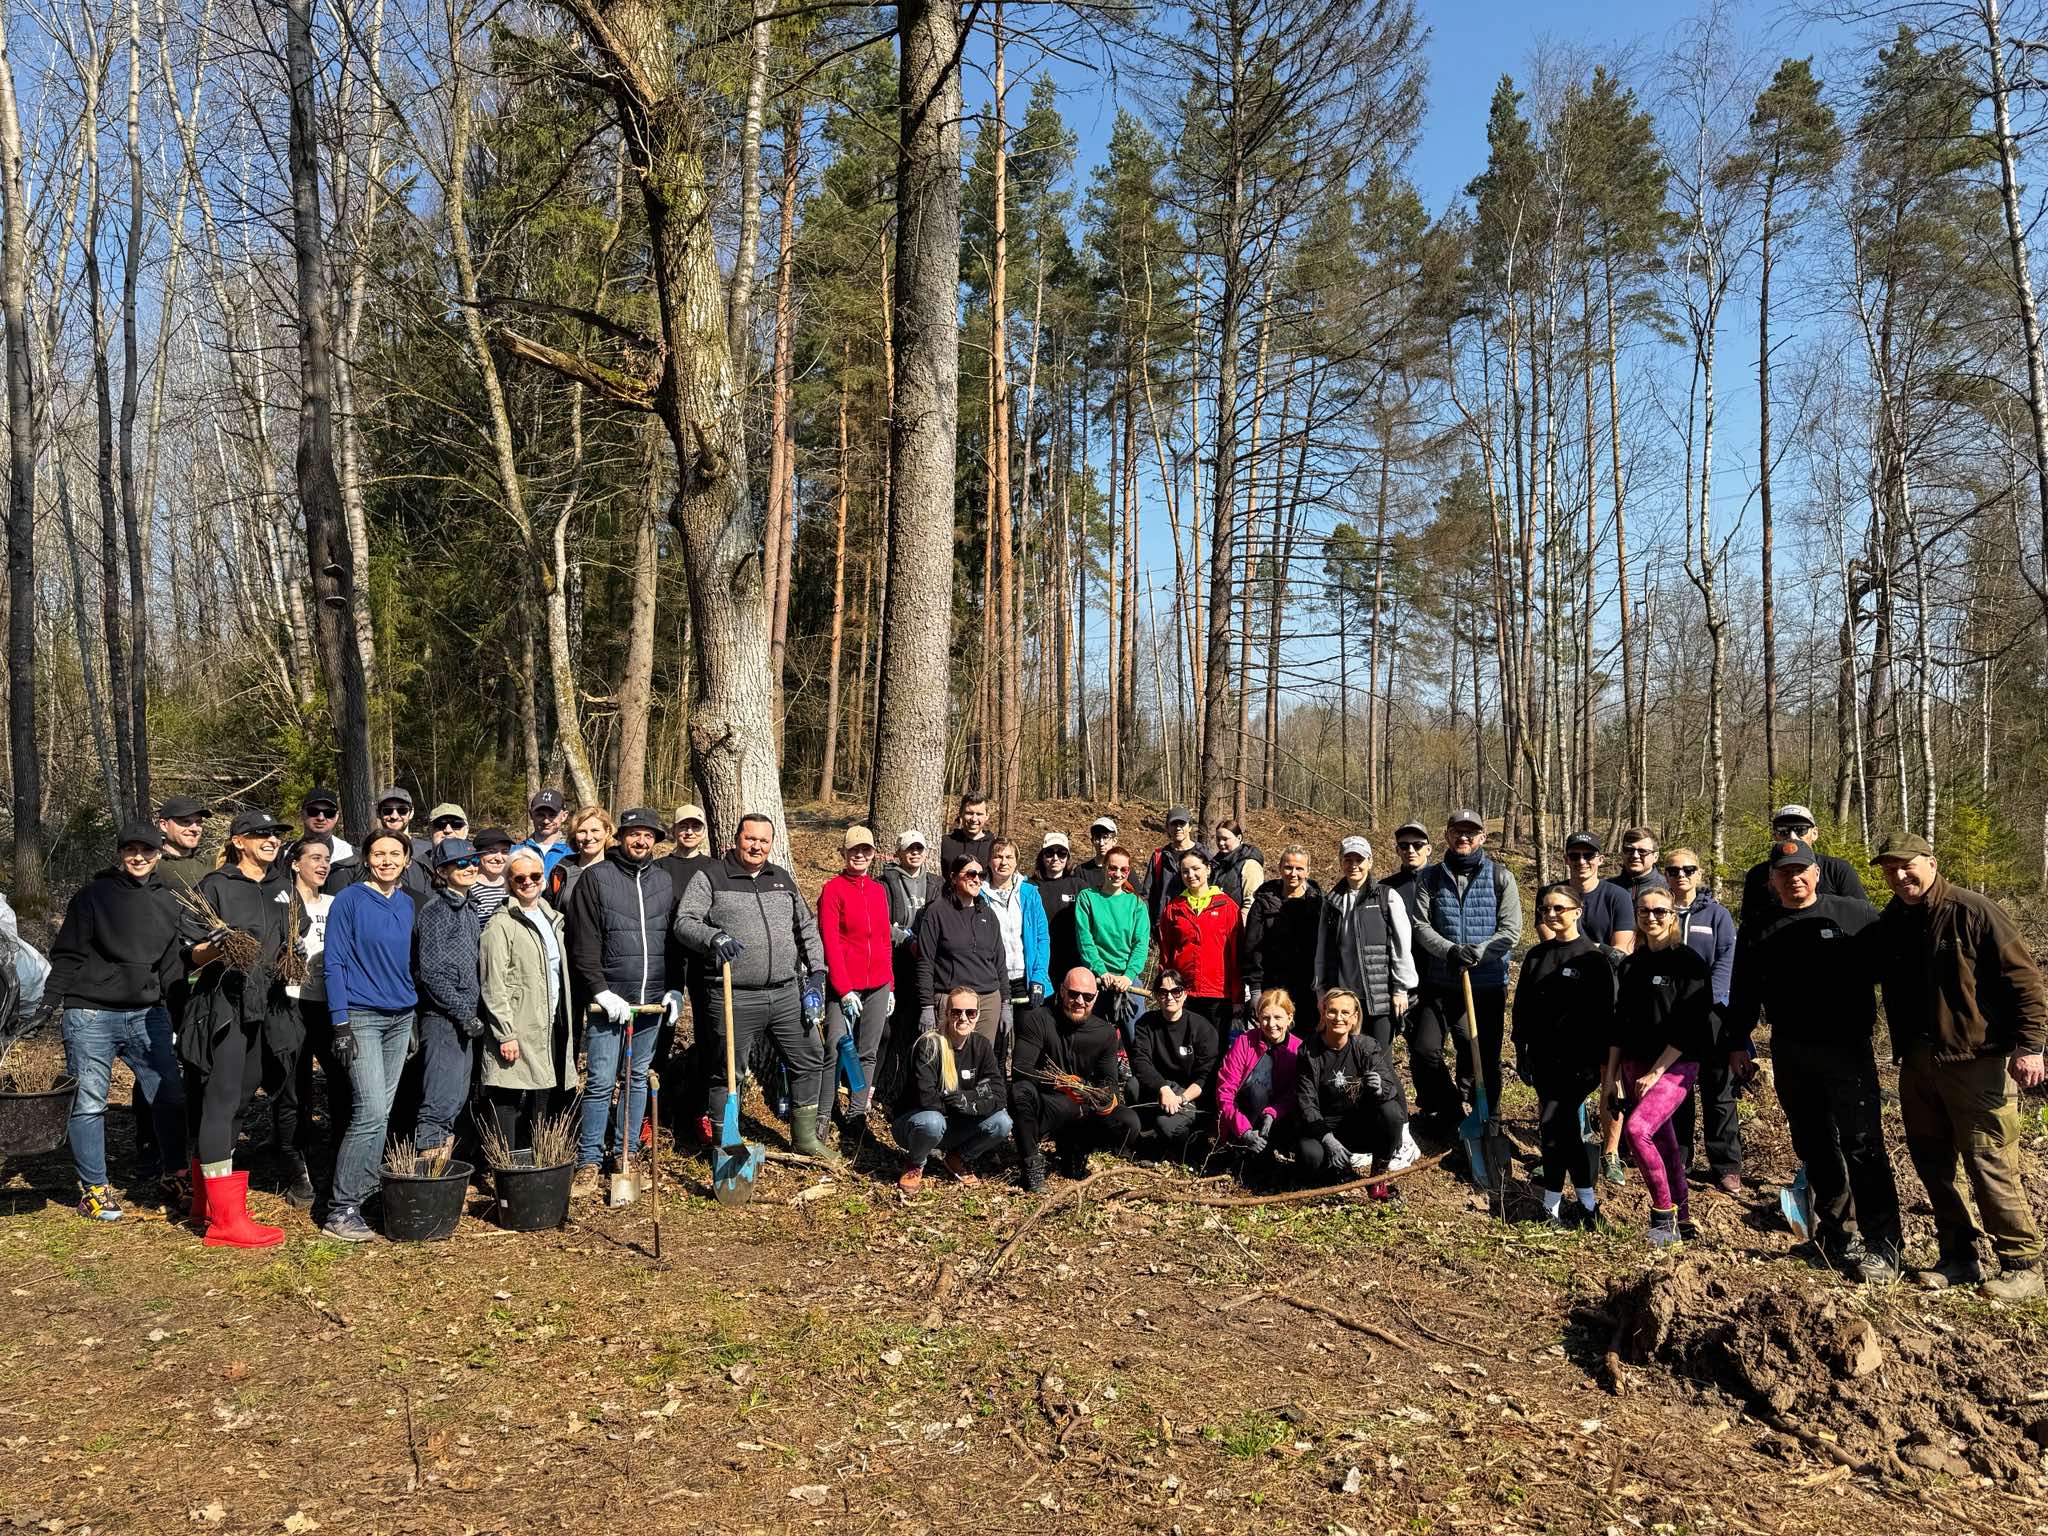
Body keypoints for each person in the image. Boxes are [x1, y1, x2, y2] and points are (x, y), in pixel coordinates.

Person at [1873, 831, 2045, 1301]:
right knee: (1933, 1162)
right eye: (1890, 870)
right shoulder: (1893, 920)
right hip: (1919, 1060)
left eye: (1907, 865)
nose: (1900, 876)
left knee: (1989, 1159)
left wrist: (2031, 1046)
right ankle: (1959, 1256)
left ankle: (2023, 1264)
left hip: (1978, 1060)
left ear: (1931, 861)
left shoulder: (1972, 911)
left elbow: (2025, 979)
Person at [1726, 841, 1898, 1282]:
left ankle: (1884, 1244)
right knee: (1813, 1142)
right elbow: (1743, 990)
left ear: (1817, 873)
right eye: (1784, 872)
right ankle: (1837, 1233)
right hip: (1791, 1049)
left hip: (1848, 1049)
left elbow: (1897, 975)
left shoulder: (1855, 915)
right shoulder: (1760, 926)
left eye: (1802, 869)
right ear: (1771, 879)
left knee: (1862, 1144)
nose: (1794, 877)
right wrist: (1736, 1042)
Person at [46, 822, 187, 1220]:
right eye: (131, 849)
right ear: (120, 852)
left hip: (148, 1012)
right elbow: (69, 954)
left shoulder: (169, 901)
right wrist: (50, 1001)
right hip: (91, 1011)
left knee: (170, 1094)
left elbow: (172, 966)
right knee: (90, 1102)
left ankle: (174, 1173)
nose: (139, 856)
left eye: (147, 850)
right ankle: (94, 1189)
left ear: (160, 853)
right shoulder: (92, 896)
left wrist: (181, 1010)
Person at [673, 812, 835, 1160]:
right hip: (733, 994)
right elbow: (684, 922)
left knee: (810, 1057)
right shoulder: (712, 876)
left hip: (786, 992)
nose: (756, 846)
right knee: (727, 1071)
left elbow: (805, 928)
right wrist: (713, 937)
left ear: (771, 843)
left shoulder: (782, 879)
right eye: (750, 839)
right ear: (736, 839)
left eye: (764, 840)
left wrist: (818, 975)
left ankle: (805, 1138)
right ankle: (726, 1144)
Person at [182, 810, 296, 1248]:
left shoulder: (283, 886)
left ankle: (206, 1203)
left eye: (275, 835)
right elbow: (188, 955)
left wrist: (293, 952)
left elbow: (283, 943)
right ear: (238, 841)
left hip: (266, 1005)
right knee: (222, 1100)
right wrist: (217, 947)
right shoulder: (216, 885)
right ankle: (226, 1222)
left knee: (243, 1099)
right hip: (224, 1005)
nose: (270, 840)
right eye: (260, 834)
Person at [566, 806, 679, 1191]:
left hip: (650, 1004)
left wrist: (674, 987)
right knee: (599, 1081)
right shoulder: (597, 878)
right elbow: (582, 942)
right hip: (608, 1003)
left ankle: (625, 1153)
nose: (641, 840)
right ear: (621, 837)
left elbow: (673, 941)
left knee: (635, 1081)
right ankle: (589, 1159)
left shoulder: (663, 882)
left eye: (649, 835)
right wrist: (599, 990)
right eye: (634, 833)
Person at [320, 827, 419, 1241]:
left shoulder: (408, 903)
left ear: (407, 860)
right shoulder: (349, 901)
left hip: (401, 1017)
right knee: (370, 1111)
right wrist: (339, 1021)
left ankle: (364, 1193)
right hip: (361, 1016)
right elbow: (334, 962)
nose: (386, 860)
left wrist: (412, 1017)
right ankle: (340, 1208)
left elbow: (410, 964)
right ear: (366, 858)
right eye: (378, 853)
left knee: (384, 1112)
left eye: (395, 854)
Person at [1607, 878, 1714, 1246]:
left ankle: (1662, 1218)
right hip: (1634, 1066)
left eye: (1660, 911)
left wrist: (1657, 1072)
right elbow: (1619, 1026)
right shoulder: (1631, 965)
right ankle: (1683, 1220)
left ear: (1672, 916)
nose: (1651, 917)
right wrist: (1612, 1078)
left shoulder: (1689, 963)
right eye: (1644, 911)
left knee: (1638, 1131)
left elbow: (1691, 1024)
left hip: (1676, 1065)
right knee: (1664, 1142)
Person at [1408, 810, 1522, 1137]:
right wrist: (1449, 950)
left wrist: (1477, 952)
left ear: (1482, 838)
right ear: (1446, 835)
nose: (1464, 837)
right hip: (1440, 983)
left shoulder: (1501, 878)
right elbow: (1420, 925)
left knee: (1484, 1057)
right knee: (1425, 1049)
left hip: (1485, 984)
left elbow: (1510, 931)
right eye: (1458, 831)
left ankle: (1491, 1121)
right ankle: (1452, 1111)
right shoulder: (1429, 878)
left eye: (1471, 832)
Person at [1511, 883, 1613, 1227]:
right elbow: (1522, 1006)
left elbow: (1605, 1017)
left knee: (1553, 1124)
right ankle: (1586, 1205)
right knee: (1564, 1130)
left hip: (1578, 1064)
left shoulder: (1593, 959)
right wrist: (1520, 1048)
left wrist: (1600, 1066)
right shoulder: (1537, 956)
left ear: (1576, 912)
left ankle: (1552, 1205)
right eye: (1545, 909)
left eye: (1558, 908)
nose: (1550, 914)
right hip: (1543, 1059)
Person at [478, 849, 579, 1152]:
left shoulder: (552, 918)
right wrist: (505, 1033)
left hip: (549, 1019)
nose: (528, 882)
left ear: (543, 879)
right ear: (509, 883)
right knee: (507, 1095)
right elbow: (492, 983)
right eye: (519, 878)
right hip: (517, 1023)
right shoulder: (501, 924)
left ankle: (539, 1158)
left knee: (543, 1088)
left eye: (534, 876)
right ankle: (502, 1163)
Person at [1008, 967, 1140, 1191]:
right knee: (1020, 1091)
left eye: (1087, 997)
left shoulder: (1105, 1032)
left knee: (1129, 1122)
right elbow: (1021, 1068)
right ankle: (1032, 1165)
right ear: (1061, 991)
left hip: (1083, 1106)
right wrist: (1060, 1083)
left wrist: (1101, 1097)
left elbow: (1110, 1082)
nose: (1080, 1001)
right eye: (1073, 994)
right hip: (1048, 1103)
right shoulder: (1039, 1019)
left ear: (1096, 997)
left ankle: (1077, 1150)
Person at [1664, 847, 1741, 1195]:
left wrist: (1713, 1003)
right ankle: (1680, 1157)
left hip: (1711, 1013)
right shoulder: (1659, 911)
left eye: (1688, 869)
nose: (1681, 875)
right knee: (1677, 1089)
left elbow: (1726, 959)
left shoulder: (1717, 915)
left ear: (1699, 873)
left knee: (1718, 1090)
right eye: (1674, 870)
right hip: (1671, 1015)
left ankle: (1725, 1164)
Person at [1295, 988, 1415, 1193]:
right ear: (1323, 1014)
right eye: (1332, 1011)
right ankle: (1336, 1170)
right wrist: (1328, 1139)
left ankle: (1377, 1178)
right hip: (1325, 1126)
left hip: (1360, 1122)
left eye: (1345, 1013)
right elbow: (1306, 1103)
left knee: (1392, 1112)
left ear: (1355, 1017)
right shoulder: (1309, 1051)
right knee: (1310, 1157)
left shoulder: (1366, 1046)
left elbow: (1389, 1087)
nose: (1338, 1018)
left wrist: (1378, 1089)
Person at [893, 985, 1012, 1191]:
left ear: (977, 1016)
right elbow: (927, 1098)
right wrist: (969, 1102)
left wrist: (968, 1101)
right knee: (932, 1121)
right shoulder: (929, 1044)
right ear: (947, 1014)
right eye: (956, 1012)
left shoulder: (982, 1045)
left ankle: (958, 1157)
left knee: (1002, 1122)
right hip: (916, 1124)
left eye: (970, 1012)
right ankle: (915, 1162)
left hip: (957, 1121)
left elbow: (999, 1093)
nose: (963, 1018)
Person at [281, 832, 346, 1199]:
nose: (323, 865)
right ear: (295, 863)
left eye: (327, 859)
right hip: (291, 1005)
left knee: (341, 1083)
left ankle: (341, 1159)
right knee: (295, 1091)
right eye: (315, 858)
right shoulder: (282, 905)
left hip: (330, 1004)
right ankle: (297, 1168)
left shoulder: (337, 903)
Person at [411, 838, 483, 1158]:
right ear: (443, 870)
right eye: (461, 863)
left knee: (455, 1099)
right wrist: (464, 1012)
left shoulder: (470, 907)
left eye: (473, 861)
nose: (470, 868)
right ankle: (428, 1181)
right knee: (438, 1103)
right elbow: (431, 973)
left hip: (465, 1019)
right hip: (442, 1019)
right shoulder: (436, 910)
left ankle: (445, 1179)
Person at [817, 825, 894, 1124]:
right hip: (844, 984)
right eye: (854, 850)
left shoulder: (877, 891)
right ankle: (824, 1114)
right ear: (844, 853)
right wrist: (844, 989)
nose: (860, 855)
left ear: (873, 854)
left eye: (866, 850)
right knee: (834, 1048)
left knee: (868, 1051)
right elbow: (830, 942)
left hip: (878, 983)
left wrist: (892, 986)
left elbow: (885, 941)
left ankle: (857, 1113)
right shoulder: (833, 889)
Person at [1313, 836, 1416, 1055]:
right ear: (1341, 862)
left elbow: (1401, 948)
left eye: (1359, 859)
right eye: (1348, 859)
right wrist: (1321, 989)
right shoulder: (1331, 902)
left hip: (1379, 999)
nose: (1354, 865)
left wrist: (1400, 989)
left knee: (1380, 1063)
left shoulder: (1386, 897)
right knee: (1350, 1060)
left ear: (1370, 862)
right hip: (1344, 999)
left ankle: (1392, 1092)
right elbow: (1322, 949)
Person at [1126, 968, 1219, 1160]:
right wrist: (1163, 1088)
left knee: (1166, 1125)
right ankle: (1151, 1141)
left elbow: (1205, 1077)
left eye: (1176, 991)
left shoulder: (1202, 1028)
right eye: (1163, 992)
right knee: (1132, 1086)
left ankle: (1192, 1144)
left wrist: (1182, 1099)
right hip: (1162, 1088)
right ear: (1155, 996)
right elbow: (1140, 1061)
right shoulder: (1145, 1024)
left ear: (1184, 994)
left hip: (1191, 1095)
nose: (1170, 997)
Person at [914, 853, 1006, 1043]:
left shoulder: (988, 915)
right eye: (971, 874)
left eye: (981, 875)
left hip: (987, 1001)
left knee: (980, 1060)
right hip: (951, 1000)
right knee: (947, 1061)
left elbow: (999, 962)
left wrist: (1006, 1004)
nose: (977, 879)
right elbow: (925, 962)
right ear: (954, 877)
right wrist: (926, 1007)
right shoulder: (936, 912)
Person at [1156, 847, 1241, 1037]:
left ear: (1208, 869)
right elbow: (1166, 954)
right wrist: (1165, 990)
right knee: (1184, 1048)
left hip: (1218, 995)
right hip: (1183, 993)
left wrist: (1238, 997)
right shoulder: (1173, 908)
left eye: (1196, 869)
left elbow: (1236, 955)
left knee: (1215, 1051)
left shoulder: (1227, 907)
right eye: (1185, 871)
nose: (1190, 875)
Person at [1215, 989, 1304, 1168]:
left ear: (1289, 1017)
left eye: (1278, 1017)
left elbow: (1296, 1092)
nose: (1271, 1024)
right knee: (1257, 1092)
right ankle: (1242, 1152)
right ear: (1257, 1018)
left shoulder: (1298, 1049)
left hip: (1279, 1118)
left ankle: (1268, 1154)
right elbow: (1225, 1090)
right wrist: (1243, 1129)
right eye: (1265, 1017)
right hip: (1242, 1118)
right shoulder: (1244, 1041)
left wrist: (1273, 1112)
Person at [1739, 805, 1867, 922]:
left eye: (1801, 830)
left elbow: (1862, 916)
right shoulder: (1758, 874)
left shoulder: (1837, 870)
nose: (1792, 836)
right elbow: (1749, 923)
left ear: (1815, 833)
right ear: (1774, 835)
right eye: (1783, 831)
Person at [982, 838, 1051, 1051]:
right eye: (998, 856)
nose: (1003, 862)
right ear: (989, 861)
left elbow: (1042, 938)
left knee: (1028, 1042)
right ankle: (997, 1083)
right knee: (997, 1044)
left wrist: (1039, 977)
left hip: (1025, 977)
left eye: (1009, 857)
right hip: (993, 979)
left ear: (1016, 861)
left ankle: (1023, 1084)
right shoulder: (980, 895)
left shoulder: (1029, 893)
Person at [1074, 845, 1149, 1033]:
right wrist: (1100, 970)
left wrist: (1128, 976)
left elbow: (1140, 944)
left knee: (1137, 1039)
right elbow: (1085, 939)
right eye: (1113, 868)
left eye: (1123, 869)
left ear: (1128, 872)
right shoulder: (1088, 898)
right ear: (1104, 868)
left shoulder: (1137, 904)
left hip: (1128, 979)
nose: (1117, 874)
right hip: (1097, 978)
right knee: (1092, 1038)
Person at [1244, 845, 1321, 1015]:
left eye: (1299, 868)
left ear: (1308, 871)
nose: (1293, 873)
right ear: (1280, 868)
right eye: (1288, 867)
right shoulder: (1263, 903)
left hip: (1308, 989)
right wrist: (1255, 990)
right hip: (1272, 986)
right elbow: (1252, 948)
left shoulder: (1318, 904)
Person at [1561, 832, 1635, 954]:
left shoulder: (1619, 897)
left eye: (1588, 855)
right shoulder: (1550, 895)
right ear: (1566, 859)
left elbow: (1623, 951)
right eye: (1574, 856)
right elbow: (1551, 945)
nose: (1581, 861)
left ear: (1600, 860)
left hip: (1606, 969)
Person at [1029, 832, 1086, 981]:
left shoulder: (1078, 886)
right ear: (1042, 856)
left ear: (1067, 857)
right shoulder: (1029, 887)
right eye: (1049, 853)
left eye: (1061, 853)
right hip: (1040, 960)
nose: (1055, 858)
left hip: (1072, 961)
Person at [1145, 808, 1204, 927]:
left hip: (1197, 923)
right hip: (1166, 923)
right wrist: (1149, 925)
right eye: (1173, 824)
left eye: (1182, 823)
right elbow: (1147, 894)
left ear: (1190, 827)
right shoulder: (1159, 856)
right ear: (1167, 828)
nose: (1178, 828)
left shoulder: (1203, 854)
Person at [548, 805, 614, 907]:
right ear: (574, 835)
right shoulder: (561, 871)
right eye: (582, 831)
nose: (588, 837)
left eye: (595, 830)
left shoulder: (618, 870)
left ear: (607, 832)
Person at [153, 793, 211, 892]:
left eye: (198, 822)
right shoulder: (149, 864)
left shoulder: (211, 863)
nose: (194, 828)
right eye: (185, 821)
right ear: (164, 825)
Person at [1210, 822, 1265, 917]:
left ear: (1239, 838)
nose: (1220, 843)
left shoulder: (1250, 864)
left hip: (1237, 925)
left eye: (1225, 839)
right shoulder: (1216, 863)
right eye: (1218, 839)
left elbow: (1251, 901)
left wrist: (1241, 925)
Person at [1383, 821, 1432, 924]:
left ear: (1428, 850)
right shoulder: (1385, 887)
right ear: (1397, 850)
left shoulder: (1444, 881)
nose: (1410, 850)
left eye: (1417, 845)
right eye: (1404, 845)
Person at [519, 788, 573, 879]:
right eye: (540, 815)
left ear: (564, 816)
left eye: (552, 815)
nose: (546, 821)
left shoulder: (573, 853)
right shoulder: (516, 851)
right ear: (531, 815)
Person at [295, 788, 352, 870]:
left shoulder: (350, 855)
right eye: (313, 811)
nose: (321, 818)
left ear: (336, 817)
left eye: (329, 813)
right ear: (302, 814)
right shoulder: (284, 854)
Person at [938, 791, 994, 874]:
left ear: (987, 816)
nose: (974, 819)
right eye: (969, 813)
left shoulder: (993, 847)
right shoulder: (945, 843)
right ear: (961, 813)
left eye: (979, 814)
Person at [1075, 816, 1133, 893]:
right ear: (1092, 841)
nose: (1101, 843)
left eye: (1105, 837)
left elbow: (1139, 897)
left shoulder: (1124, 869)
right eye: (1097, 838)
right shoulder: (1081, 871)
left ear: (1114, 840)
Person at [471, 826, 515, 925]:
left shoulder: (514, 885)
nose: (499, 858)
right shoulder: (468, 889)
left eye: (504, 851)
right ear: (478, 854)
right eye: (492, 851)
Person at [1610, 828, 1662, 901]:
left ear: (1655, 857)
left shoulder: (1668, 888)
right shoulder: (1606, 888)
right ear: (1622, 853)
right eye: (1629, 850)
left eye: (1643, 851)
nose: (1635, 855)